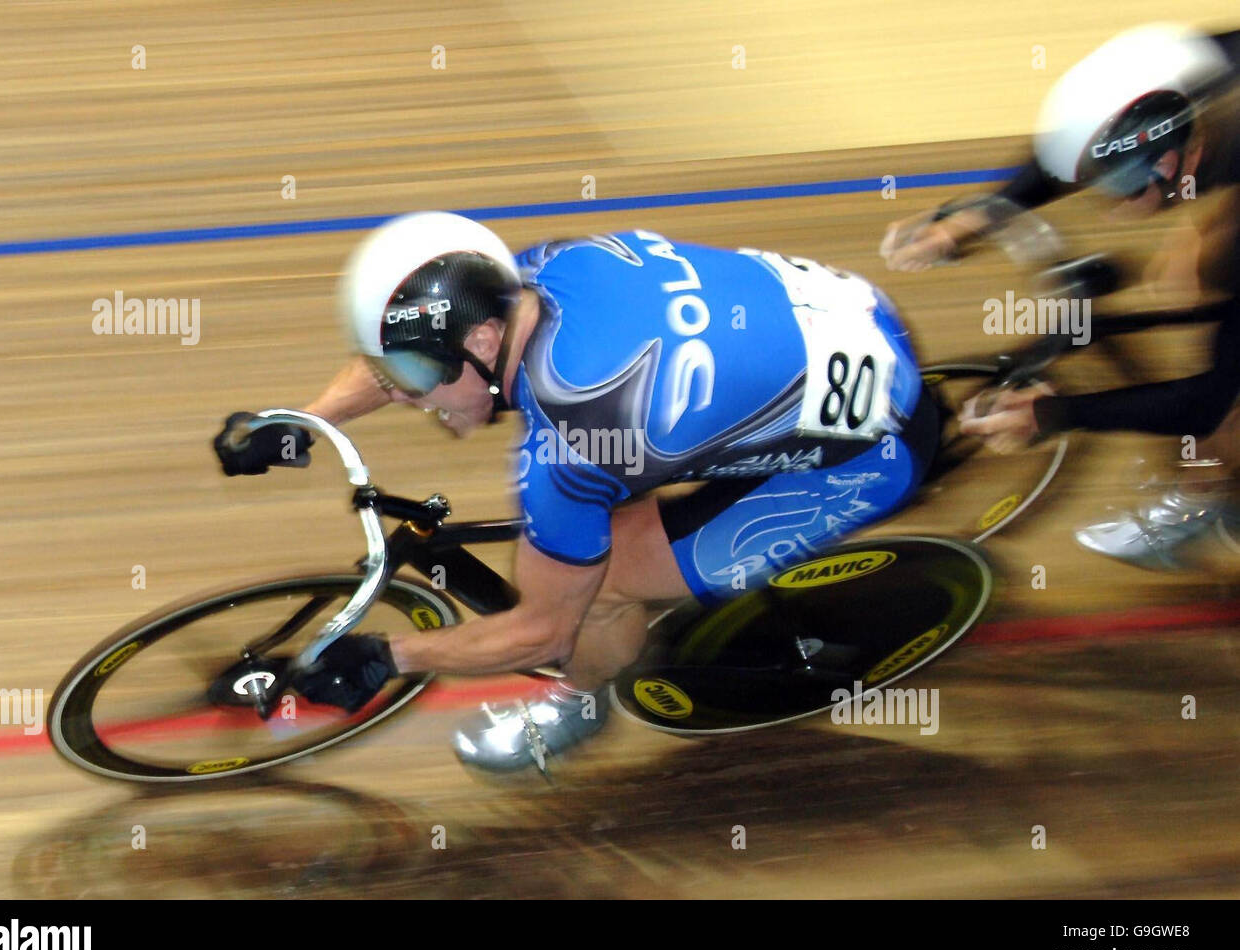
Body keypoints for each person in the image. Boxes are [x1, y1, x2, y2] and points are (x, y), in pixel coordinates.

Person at [213, 211, 941, 771]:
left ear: (485, 343)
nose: (407, 395)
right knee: (594, 520)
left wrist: (391, 657)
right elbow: (402, 349)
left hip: (869, 452)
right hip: (851, 314)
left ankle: (579, 703)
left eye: (414, 375)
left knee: (602, 588)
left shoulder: (577, 436)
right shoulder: (541, 271)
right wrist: (306, 421)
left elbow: (544, 631)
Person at [880, 22, 1240, 570]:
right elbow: (1073, 150)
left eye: (1121, 186)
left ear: (1175, 161)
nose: (1112, 206)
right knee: (1202, 263)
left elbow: (1206, 398)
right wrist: (968, 218)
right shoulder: (1190, 69)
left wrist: (1056, 413)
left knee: (1223, 339)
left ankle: (1203, 499)